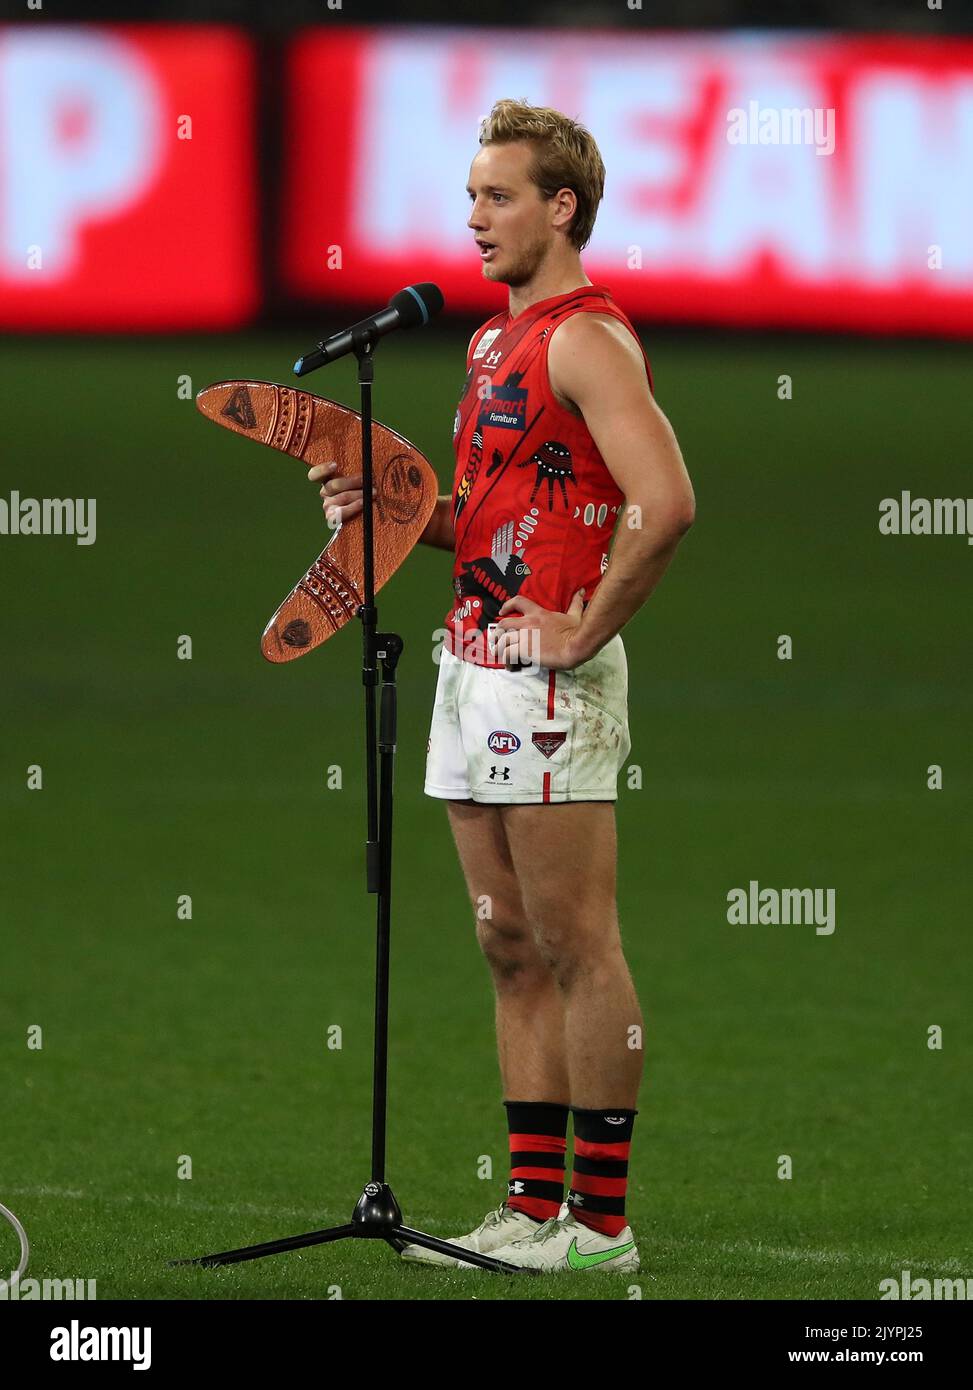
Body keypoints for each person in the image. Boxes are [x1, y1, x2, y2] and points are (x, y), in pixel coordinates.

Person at [307, 98, 694, 1274]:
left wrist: (580, 629)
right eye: (472, 194)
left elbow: (665, 501)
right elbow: (489, 522)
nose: (472, 217)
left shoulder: (585, 337)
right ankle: (531, 1210)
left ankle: (603, 1226)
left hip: (542, 685)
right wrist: (397, 514)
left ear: (560, 205)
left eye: (497, 195)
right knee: (509, 946)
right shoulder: (490, 341)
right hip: (468, 669)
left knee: (579, 943)